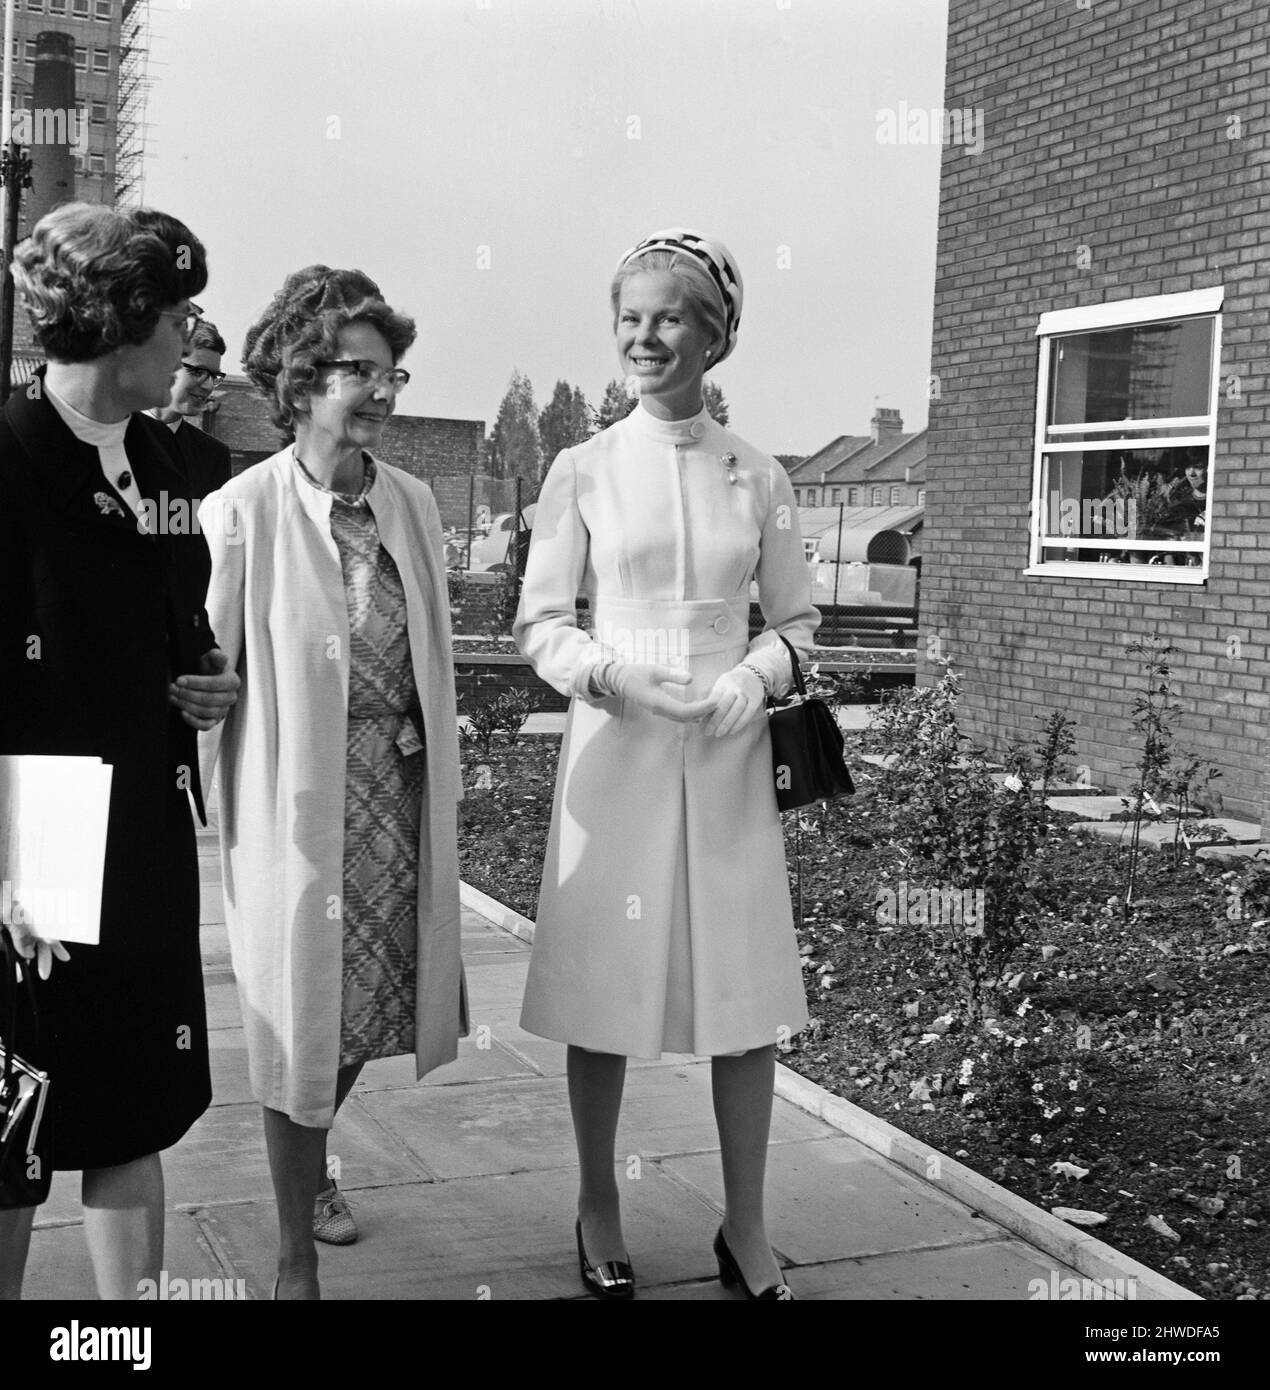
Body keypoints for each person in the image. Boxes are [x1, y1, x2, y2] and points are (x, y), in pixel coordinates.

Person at [514, 228, 817, 1300]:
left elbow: (799, 621)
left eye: (670, 316)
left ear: (714, 335)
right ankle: (599, 1203)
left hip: (728, 759)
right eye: (630, 317)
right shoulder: (581, 468)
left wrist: (753, 678)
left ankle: (744, 1225)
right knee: (604, 994)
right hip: (619, 751)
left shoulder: (759, 475)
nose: (645, 337)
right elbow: (541, 623)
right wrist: (613, 678)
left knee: (743, 1001)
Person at [198, 266, 467, 1300]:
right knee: (298, 1012)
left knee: (369, 1011)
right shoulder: (244, 511)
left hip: (394, 793)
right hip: (299, 800)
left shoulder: (411, 501)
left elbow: (431, 647)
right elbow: (211, 672)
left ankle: (310, 1170)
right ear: (299, 379)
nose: (383, 390)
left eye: (392, 370)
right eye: (359, 370)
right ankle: (290, 1255)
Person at [0, 202, 239, 1300]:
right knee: (15, 1128)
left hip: (143, 810)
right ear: (120, 316)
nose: (193, 334)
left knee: (130, 1108)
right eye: (179, 310)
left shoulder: (176, 463)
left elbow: (183, 627)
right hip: (34, 826)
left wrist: (209, 681)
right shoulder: (9, 456)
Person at [148, 317, 233, 502]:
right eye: (198, 371)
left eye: (214, 376)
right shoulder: (110, 434)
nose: (209, 386)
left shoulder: (213, 456)